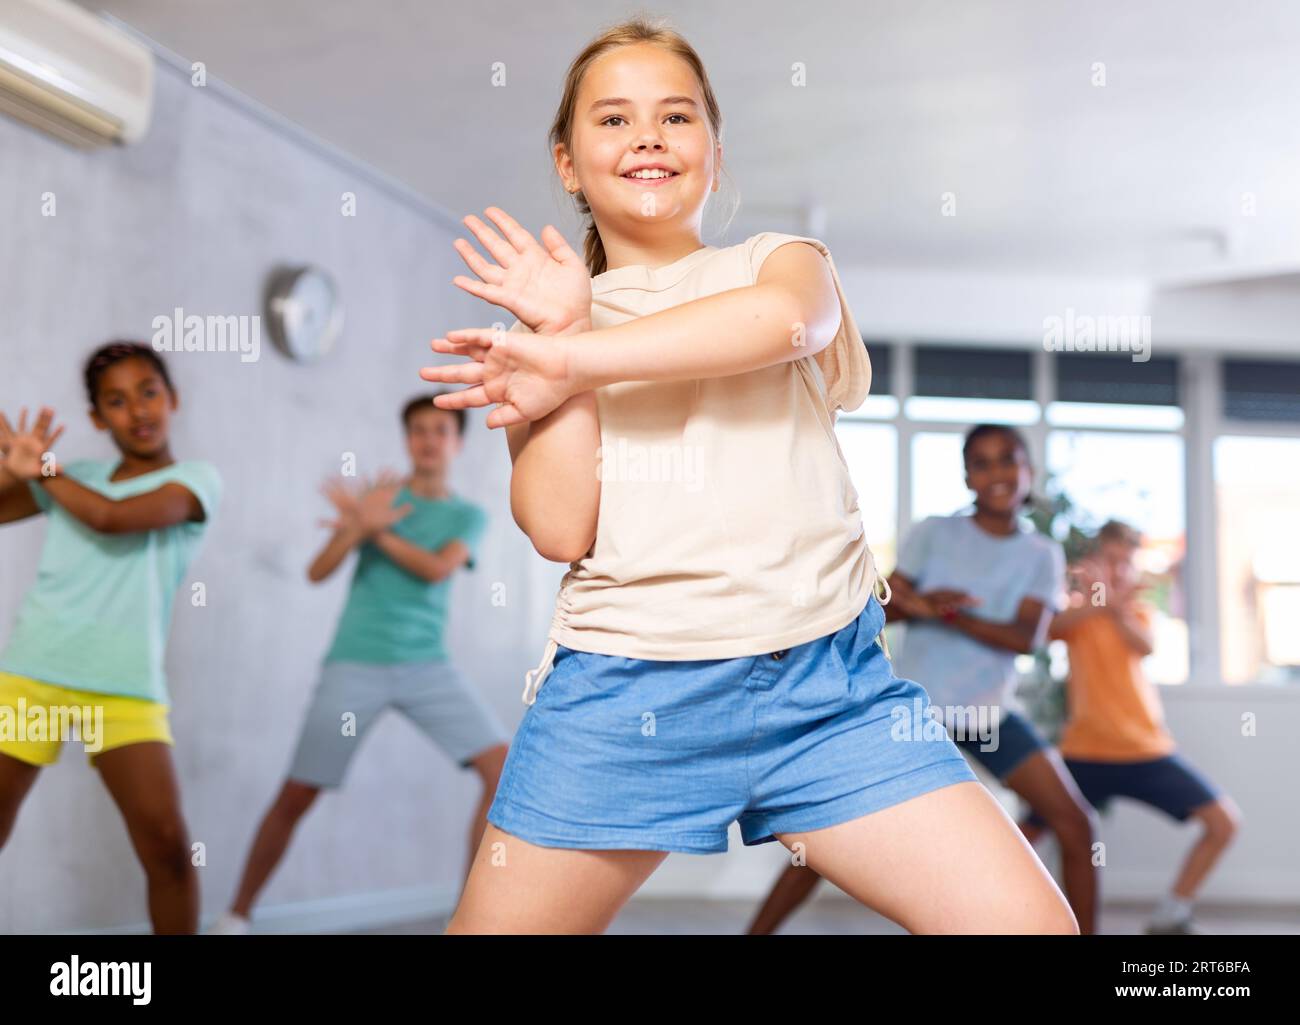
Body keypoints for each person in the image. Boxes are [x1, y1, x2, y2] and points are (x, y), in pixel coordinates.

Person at [420, 16, 1077, 935]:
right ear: (567, 162)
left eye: (676, 116)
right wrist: (564, 339)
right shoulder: (551, 329)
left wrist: (574, 361)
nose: (648, 135)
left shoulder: (778, 261)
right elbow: (560, 528)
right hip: (621, 699)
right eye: (613, 119)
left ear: (714, 157)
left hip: (827, 692)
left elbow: (782, 326)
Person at [749, 423, 1099, 934]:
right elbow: (883, 609)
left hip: (990, 715)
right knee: (821, 836)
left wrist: (947, 614)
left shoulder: (1040, 553)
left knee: (1075, 822)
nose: (997, 472)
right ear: (967, 476)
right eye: (982, 463)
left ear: (1027, 470)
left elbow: (1026, 637)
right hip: (917, 710)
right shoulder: (935, 532)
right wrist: (921, 605)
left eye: (1008, 459)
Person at [210, 396, 509, 934]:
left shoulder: (467, 515)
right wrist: (355, 526)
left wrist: (377, 531)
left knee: (502, 767)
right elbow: (317, 570)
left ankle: (472, 917)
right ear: (406, 439)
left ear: (457, 442)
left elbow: (438, 570)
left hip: (427, 667)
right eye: (418, 429)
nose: (428, 439)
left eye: (439, 429)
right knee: (297, 792)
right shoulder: (377, 498)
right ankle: (236, 914)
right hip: (355, 663)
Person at [0, 342, 221, 933]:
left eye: (148, 392)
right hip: (34, 673)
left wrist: (43, 470)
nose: (138, 410)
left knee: (169, 850)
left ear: (172, 399)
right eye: (116, 401)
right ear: (98, 418)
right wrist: (12, 464)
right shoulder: (76, 476)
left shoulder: (195, 481)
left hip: (124, 687)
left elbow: (112, 519)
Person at [1024, 519, 1241, 934]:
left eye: (1127, 563)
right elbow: (1047, 631)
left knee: (1223, 822)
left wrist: (1115, 606)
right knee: (1021, 834)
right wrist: (1097, 602)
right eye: (1110, 560)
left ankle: (1172, 913)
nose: (1119, 571)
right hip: (1083, 753)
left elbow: (1145, 645)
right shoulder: (1077, 613)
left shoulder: (1136, 610)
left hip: (1145, 751)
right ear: (1093, 562)